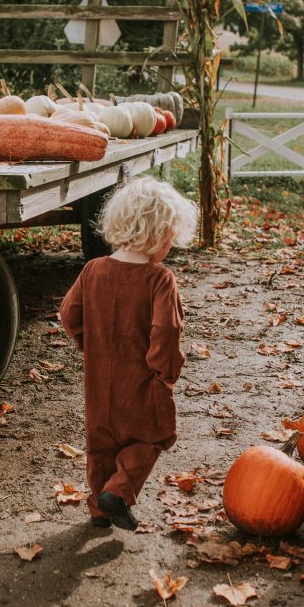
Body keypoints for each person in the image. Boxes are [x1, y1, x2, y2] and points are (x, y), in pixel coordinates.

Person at [59, 175, 198, 531]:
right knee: (153, 437)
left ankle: (99, 510)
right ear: (157, 234)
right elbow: (167, 330)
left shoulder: (93, 271)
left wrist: (89, 344)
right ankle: (118, 493)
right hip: (140, 384)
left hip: (98, 385)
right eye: (169, 238)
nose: (169, 246)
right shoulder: (159, 279)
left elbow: (68, 313)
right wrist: (165, 371)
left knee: (100, 445)